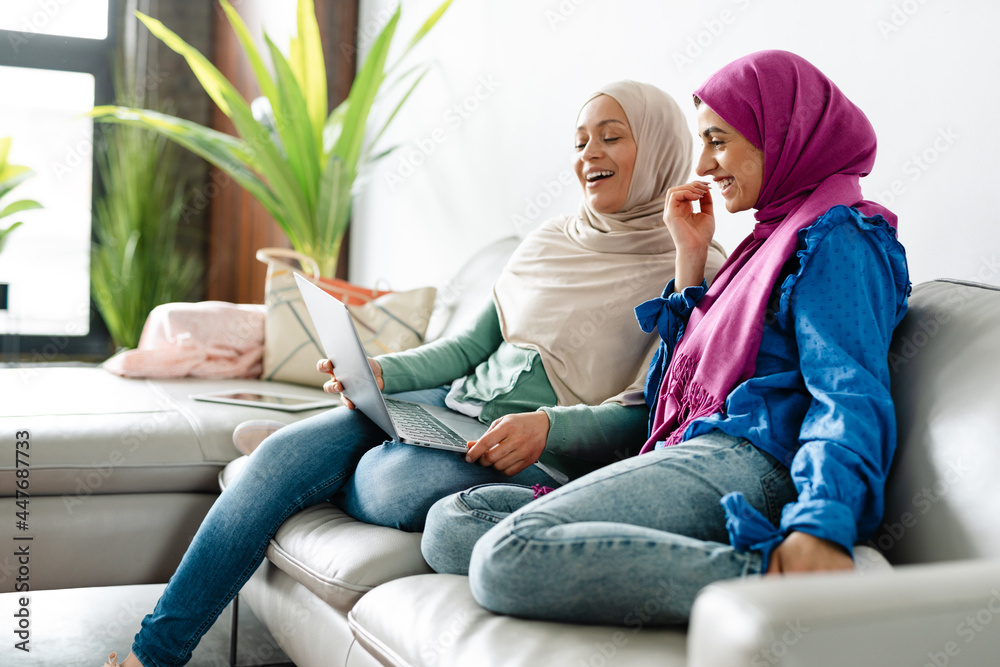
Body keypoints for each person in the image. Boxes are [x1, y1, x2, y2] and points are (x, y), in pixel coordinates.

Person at [101, 81, 727, 666]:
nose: (589, 152)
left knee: (386, 482)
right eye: (580, 139)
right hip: (451, 406)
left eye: (611, 135)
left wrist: (548, 426)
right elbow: (466, 349)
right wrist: (379, 370)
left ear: (659, 145)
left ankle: (323, 455)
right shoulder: (548, 241)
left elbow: (653, 412)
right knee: (279, 460)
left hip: (534, 453)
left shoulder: (693, 265)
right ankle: (151, 654)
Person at [420, 49, 911, 626]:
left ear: (781, 135)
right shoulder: (766, 240)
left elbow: (849, 395)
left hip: (754, 459)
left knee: (504, 558)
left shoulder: (840, 238)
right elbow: (677, 385)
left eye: (719, 141)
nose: (702, 163)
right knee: (452, 525)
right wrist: (691, 256)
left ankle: (808, 587)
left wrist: (822, 524)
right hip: (696, 447)